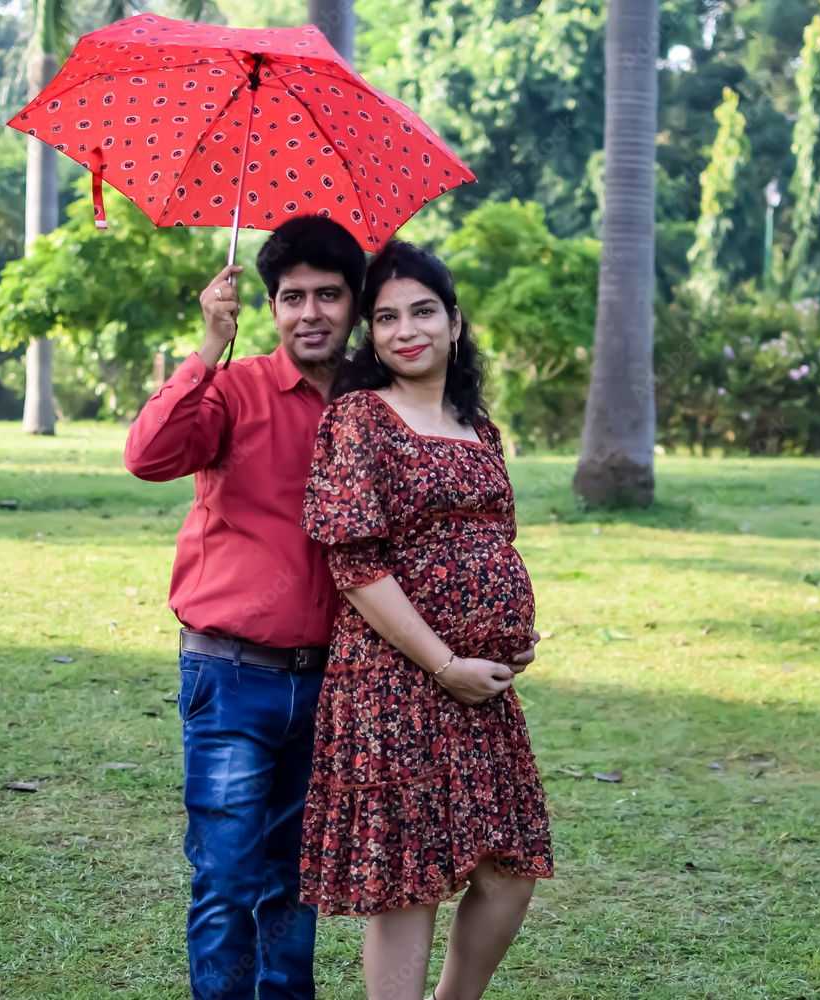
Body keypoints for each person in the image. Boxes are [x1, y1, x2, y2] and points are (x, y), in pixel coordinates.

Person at [124, 216, 537, 1000]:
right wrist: (210, 344)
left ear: (353, 307)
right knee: (226, 876)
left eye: (328, 296)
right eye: (290, 298)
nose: (309, 313)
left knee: (295, 881)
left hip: (339, 680)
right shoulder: (238, 388)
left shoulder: (378, 399)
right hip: (234, 673)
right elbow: (148, 455)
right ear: (271, 308)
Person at [301, 241, 553, 1000]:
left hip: (482, 687)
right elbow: (357, 567)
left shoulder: (478, 426)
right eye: (385, 317)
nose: (405, 329)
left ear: (454, 321)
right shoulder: (359, 419)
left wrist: (509, 631)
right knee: (407, 881)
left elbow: (493, 540)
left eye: (422, 311)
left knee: (511, 871)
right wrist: (446, 662)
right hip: (394, 679)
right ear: (370, 336)